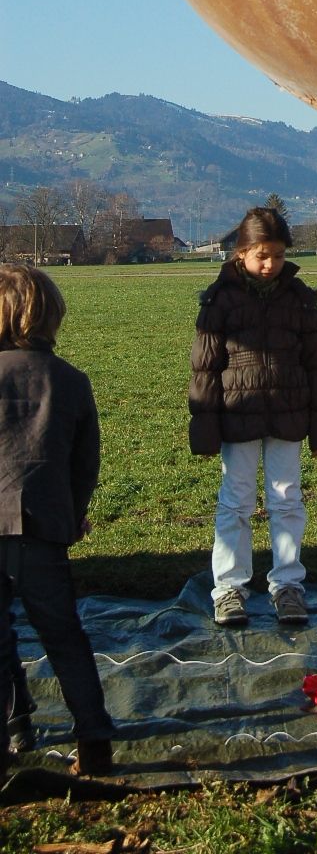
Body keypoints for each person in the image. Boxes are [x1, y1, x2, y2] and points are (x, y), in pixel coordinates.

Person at [189, 206, 317, 627]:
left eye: (276, 254)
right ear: (241, 254)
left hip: (288, 417)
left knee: (287, 500)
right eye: (261, 255)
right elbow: (205, 367)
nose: (270, 264)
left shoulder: (299, 298)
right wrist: (204, 425)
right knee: (235, 502)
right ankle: (229, 589)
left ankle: (288, 585)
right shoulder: (220, 300)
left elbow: (315, 363)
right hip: (238, 417)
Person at [0, 265, 114, 778]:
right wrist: (73, 512)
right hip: (44, 530)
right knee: (65, 637)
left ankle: (14, 731)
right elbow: (83, 461)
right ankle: (93, 742)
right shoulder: (70, 380)